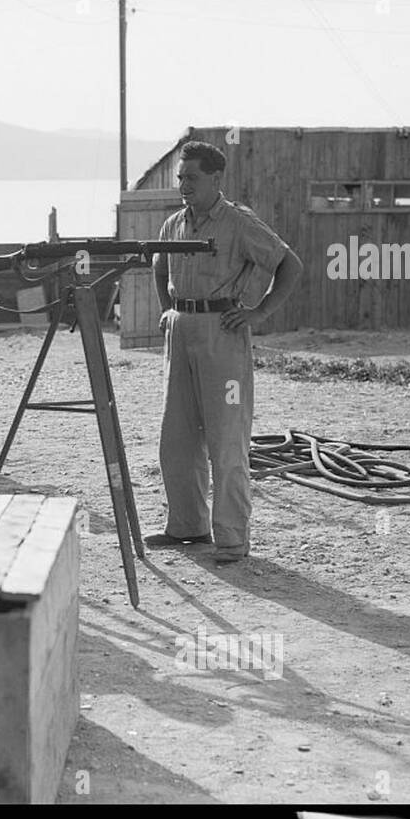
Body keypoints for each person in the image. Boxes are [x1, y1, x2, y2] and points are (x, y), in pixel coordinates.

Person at [143, 141, 303, 563]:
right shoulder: (174, 225)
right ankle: (186, 527)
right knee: (176, 440)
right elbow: (160, 269)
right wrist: (167, 311)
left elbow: (290, 265)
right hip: (180, 331)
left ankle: (231, 538)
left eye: (192, 177)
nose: (183, 185)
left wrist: (260, 311)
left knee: (226, 440)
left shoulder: (238, 222)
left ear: (216, 179)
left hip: (222, 334)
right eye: (180, 177)